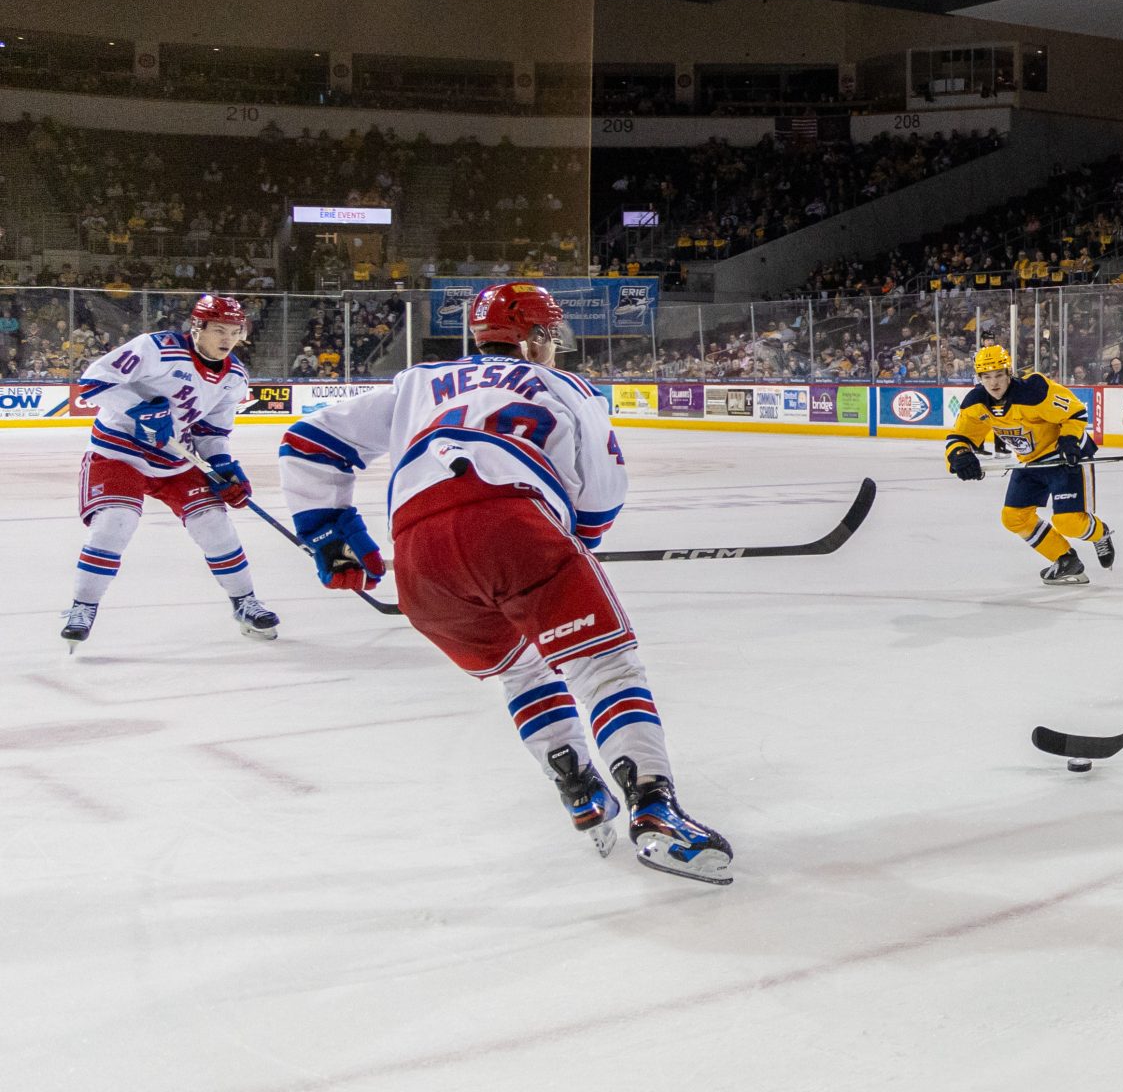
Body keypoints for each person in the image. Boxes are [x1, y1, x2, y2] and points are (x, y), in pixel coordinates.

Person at [276, 282, 731, 882]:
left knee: (520, 671)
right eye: (550, 335)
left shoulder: (416, 383)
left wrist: (329, 533)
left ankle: (579, 789)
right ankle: (654, 809)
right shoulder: (564, 386)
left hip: (417, 553)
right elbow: (600, 492)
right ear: (536, 337)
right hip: (513, 522)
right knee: (604, 666)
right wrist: (573, 549)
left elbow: (309, 441)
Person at [59, 294, 276, 649]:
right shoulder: (156, 349)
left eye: (234, 331)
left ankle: (245, 602)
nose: (227, 339)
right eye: (219, 330)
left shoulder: (234, 376)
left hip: (175, 460)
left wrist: (223, 467)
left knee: (215, 525)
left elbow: (212, 432)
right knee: (115, 522)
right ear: (197, 327)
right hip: (118, 451)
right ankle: (82, 607)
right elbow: (95, 381)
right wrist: (140, 408)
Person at [944, 344, 1112, 584]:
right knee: (1014, 517)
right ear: (979, 378)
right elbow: (960, 437)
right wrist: (960, 455)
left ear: (1009, 372)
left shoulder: (1034, 390)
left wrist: (1068, 440)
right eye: (987, 377)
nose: (994, 383)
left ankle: (1100, 533)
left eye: (999, 375)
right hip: (1031, 462)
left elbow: (1074, 413)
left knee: (1069, 523)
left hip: (1064, 457)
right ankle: (1066, 560)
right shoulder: (976, 403)